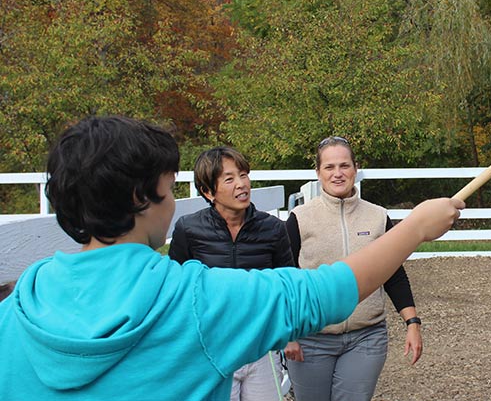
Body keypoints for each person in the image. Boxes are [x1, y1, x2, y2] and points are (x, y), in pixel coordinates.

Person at [0, 115, 463, 400]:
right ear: (143, 197)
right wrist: (417, 228)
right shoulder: (195, 299)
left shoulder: (16, 308)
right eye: (168, 187)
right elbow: (324, 292)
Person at [284, 136, 423, 401]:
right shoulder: (299, 220)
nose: (338, 174)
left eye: (344, 166)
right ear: (318, 172)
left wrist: (412, 322)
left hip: (366, 337)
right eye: (329, 167)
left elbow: (394, 273)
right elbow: (285, 278)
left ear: (355, 169)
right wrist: (286, 333)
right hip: (312, 339)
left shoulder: (378, 217)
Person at [169, 146, 295, 401]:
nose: (241, 184)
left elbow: (287, 284)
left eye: (244, 175)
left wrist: (290, 335)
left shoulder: (273, 228)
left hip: (261, 344)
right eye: (229, 179)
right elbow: (176, 290)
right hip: (211, 349)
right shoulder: (189, 229)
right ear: (207, 191)